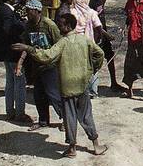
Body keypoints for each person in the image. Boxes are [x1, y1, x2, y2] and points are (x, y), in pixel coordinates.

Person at [14, 12, 107, 157]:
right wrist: (92, 69)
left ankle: (72, 149)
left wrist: (29, 49)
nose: (58, 26)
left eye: (61, 24)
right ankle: (96, 145)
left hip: (67, 87)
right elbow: (99, 54)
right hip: (82, 85)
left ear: (68, 26)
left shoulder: (62, 43)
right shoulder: (85, 41)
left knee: (69, 117)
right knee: (86, 115)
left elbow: (47, 56)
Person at [17, 0, 62, 130]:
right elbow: (26, 46)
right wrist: (20, 64)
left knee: (54, 94)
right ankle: (43, 121)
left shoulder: (49, 25)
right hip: (36, 66)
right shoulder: (28, 26)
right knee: (39, 95)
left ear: (37, 11)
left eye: (29, 10)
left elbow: (59, 45)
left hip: (50, 65)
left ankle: (65, 119)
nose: (27, 13)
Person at [0, 0, 29, 123]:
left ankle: (10, 111)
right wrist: (22, 25)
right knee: (19, 82)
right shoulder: (8, 12)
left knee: (10, 82)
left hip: (5, 52)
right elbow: (8, 30)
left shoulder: (0, 10)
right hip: (13, 52)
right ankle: (19, 113)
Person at [90, 0, 124, 94]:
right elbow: (94, 23)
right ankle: (92, 86)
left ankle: (114, 82)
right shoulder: (91, 3)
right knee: (95, 60)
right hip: (96, 35)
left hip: (103, 33)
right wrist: (107, 34)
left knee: (110, 55)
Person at [71, 0, 104, 96]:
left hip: (75, 42)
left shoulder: (72, 12)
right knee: (92, 65)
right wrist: (97, 39)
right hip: (89, 42)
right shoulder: (91, 12)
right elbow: (99, 27)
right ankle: (93, 90)